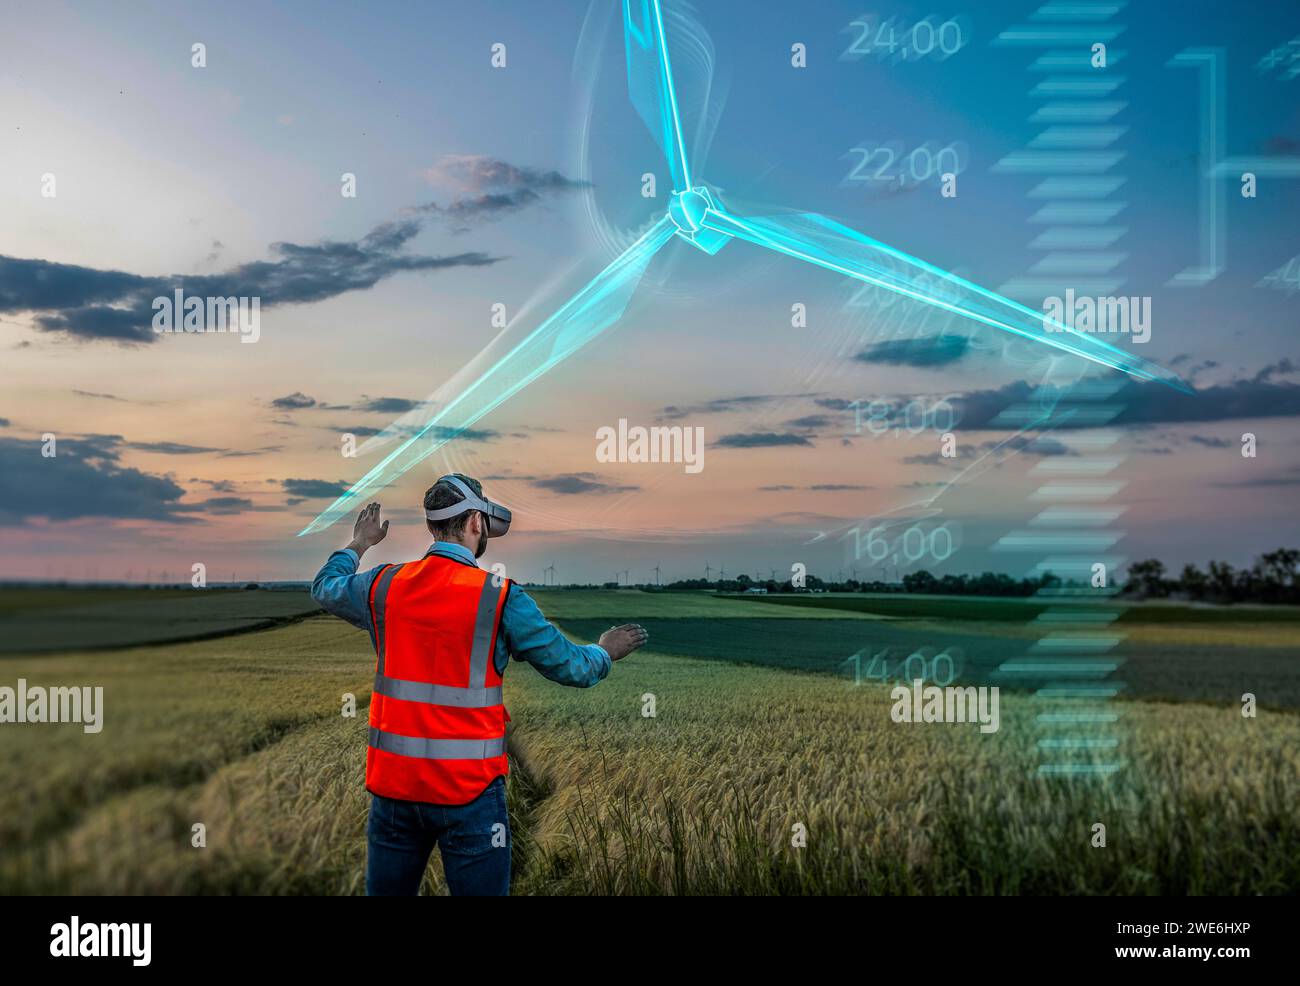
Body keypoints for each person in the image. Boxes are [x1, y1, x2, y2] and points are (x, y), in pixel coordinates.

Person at [310, 473, 648, 896]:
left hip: (394, 793)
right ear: (475, 522)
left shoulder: (384, 584)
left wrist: (359, 542)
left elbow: (325, 588)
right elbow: (571, 667)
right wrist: (604, 651)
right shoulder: (500, 596)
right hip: (469, 797)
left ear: (434, 526)